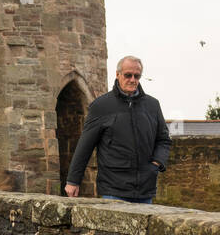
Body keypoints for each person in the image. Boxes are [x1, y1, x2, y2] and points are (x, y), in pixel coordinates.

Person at [64, 56, 171, 204]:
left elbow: (164, 139)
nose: (133, 79)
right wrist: (73, 181)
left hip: (145, 189)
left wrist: (156, 163)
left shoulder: (152, 105)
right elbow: (85, 145)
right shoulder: (101, 106)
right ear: (118, 74)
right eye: (128, 75)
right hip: (113, 189)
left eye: (137, 76)